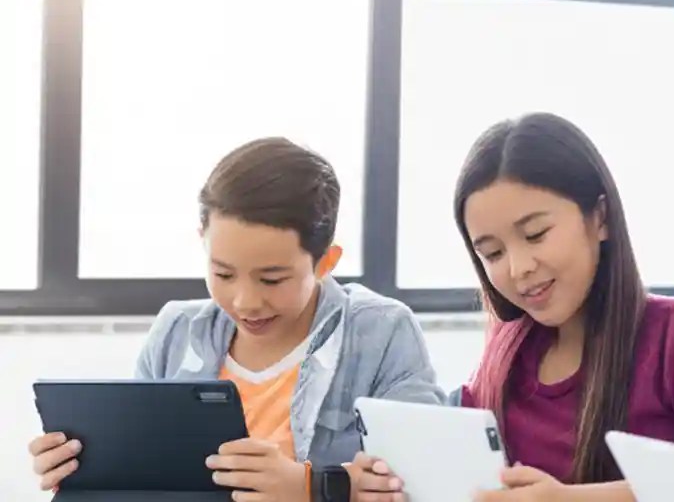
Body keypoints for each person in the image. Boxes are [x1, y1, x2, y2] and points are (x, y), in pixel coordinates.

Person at [351, 113, 674, 502]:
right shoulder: (506, 351)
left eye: (536, 234)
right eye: (492, 253)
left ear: (600, 218)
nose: (518, 268)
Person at [28, 137, 445, 499]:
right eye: (223, 273)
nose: (245, 302)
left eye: (272, 278)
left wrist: (313, 488)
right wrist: (87, 473)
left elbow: (427, 483)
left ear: (325, 262)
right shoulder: (176, 332)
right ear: (203, 244)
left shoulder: (380, 332)